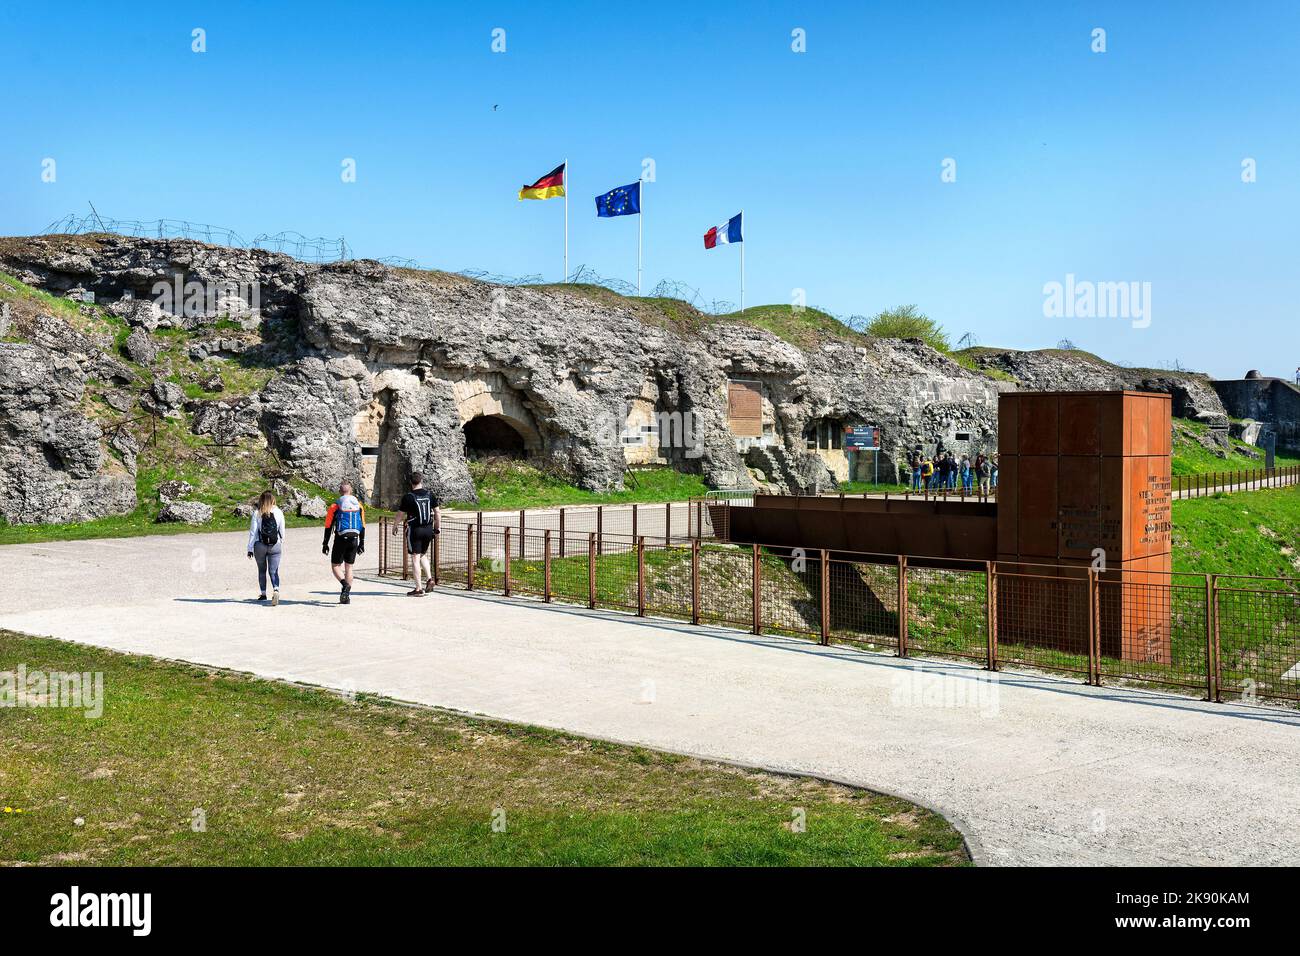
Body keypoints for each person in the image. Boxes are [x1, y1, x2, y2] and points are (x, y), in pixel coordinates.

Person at [393, 472, 440, 596]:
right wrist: (437, 528)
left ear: (410, 482)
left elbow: (400, 514)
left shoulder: (408, 497)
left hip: (415, 530)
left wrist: (395, 525)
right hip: (428, 529)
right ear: (421, 481)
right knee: (423, 554)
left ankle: (418, 589)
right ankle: (430, 579)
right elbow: (437, 513)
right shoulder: (430, 494)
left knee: (415, 557)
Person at [322, 480, 366, 605]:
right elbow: (362, 525)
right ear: (350, 491)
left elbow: (328, 526)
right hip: (355, 539)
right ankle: (346, 596)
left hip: (340, 539)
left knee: (335, 565)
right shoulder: (359, 505)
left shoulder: (335, 506)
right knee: (349, 567)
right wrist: (362, 543)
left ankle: (344, 585)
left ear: (340, 492)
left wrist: (325, 543)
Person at [247, 490, 285, 605]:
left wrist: (249, 548)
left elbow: (253, 533)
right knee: (274, 571)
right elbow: (282, 530)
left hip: (260, 545)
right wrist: (280, 542)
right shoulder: (279, 512)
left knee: (262, 570)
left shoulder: (257, 513)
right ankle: (276, 589)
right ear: (273, 499)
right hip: (275, 545)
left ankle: (263, 594)